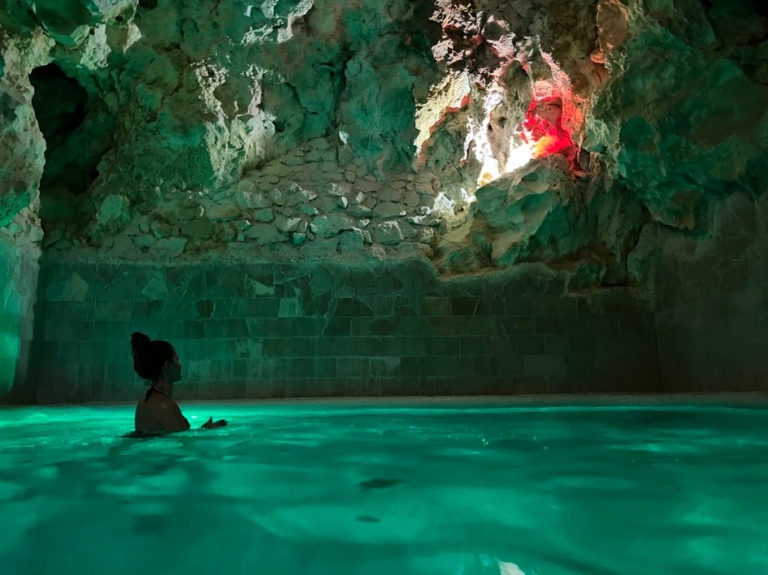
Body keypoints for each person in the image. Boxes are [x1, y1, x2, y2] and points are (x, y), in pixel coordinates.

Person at [130, 332, 227, 434]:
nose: (180, 364)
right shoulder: (166, 406)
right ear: (167, 366)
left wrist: (203, 430)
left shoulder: (143, 403)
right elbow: (184, 444)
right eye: (177, 359)